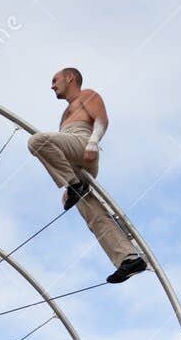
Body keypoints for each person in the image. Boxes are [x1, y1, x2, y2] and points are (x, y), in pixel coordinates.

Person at [25, 66, 145, 284]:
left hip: (83, 144)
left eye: (55, 80)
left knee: (36, 141)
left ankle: (74, 185)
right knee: (92, 213)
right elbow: (57, 152)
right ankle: (128, 258)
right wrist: (67, 184)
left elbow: (101, 120)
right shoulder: (64, 114)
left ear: (70, 78)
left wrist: (93, 142)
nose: (52, 86)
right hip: (71, 155)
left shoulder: (86, 95)